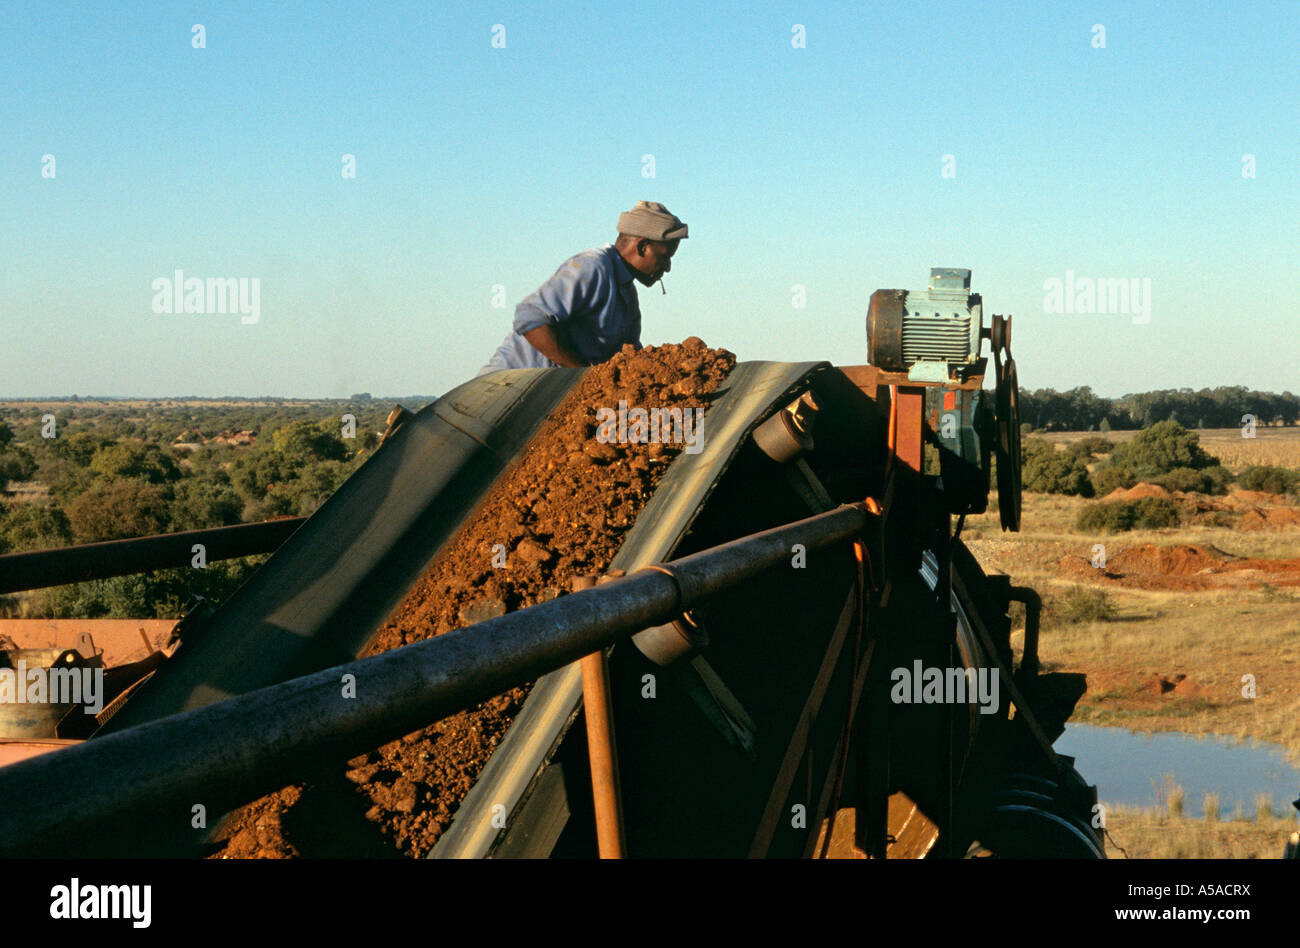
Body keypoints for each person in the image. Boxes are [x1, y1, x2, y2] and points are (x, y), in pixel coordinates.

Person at [477, 201, 688, 375]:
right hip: (505, 391)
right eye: (664, 257)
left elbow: (629, 356)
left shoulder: (627, 295)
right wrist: (582, 376)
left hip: (547, 402)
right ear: (642, 247)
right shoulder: (593, 267)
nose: (667, 268)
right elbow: (530, 318)